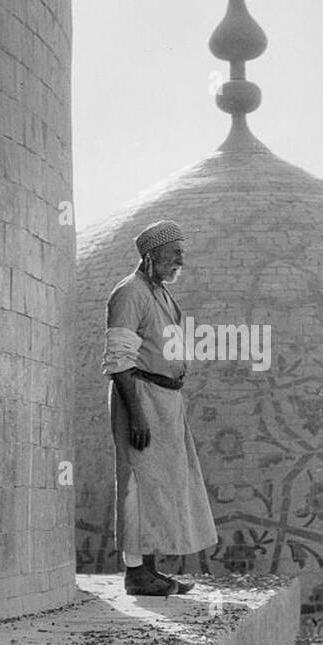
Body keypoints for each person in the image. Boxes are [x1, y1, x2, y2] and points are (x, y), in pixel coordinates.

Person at [101, 219, 218, 596]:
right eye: (174, 254)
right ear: (152, 256)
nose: (180, 261)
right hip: (141, 396)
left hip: (165, 400)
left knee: (161, 486)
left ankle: (151, 570)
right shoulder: (130, 293)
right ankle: (135, 574)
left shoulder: (160, 293)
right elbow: (119, 359)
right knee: (138, 483)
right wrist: (136, 413)